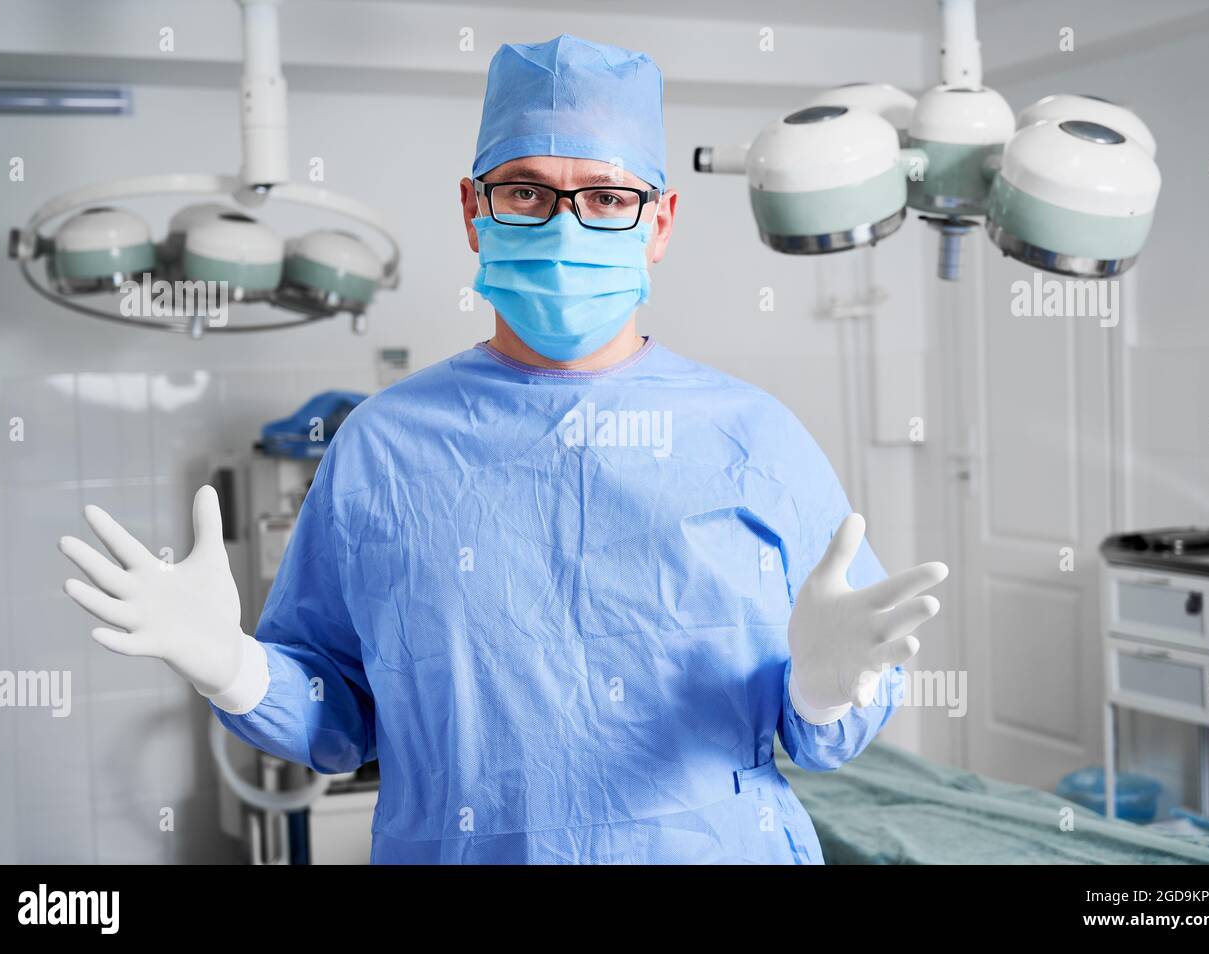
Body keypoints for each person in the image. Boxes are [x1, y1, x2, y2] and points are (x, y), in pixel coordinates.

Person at [59, 34, 947, 864]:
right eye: (524, 191)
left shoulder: (753, 438)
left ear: (662, 221)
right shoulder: (384, 445)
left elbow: (825, 726)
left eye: (607, 197)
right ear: (473, 211)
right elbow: (339, 718)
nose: (566, 224)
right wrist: (235, 668)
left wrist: (825, 692)